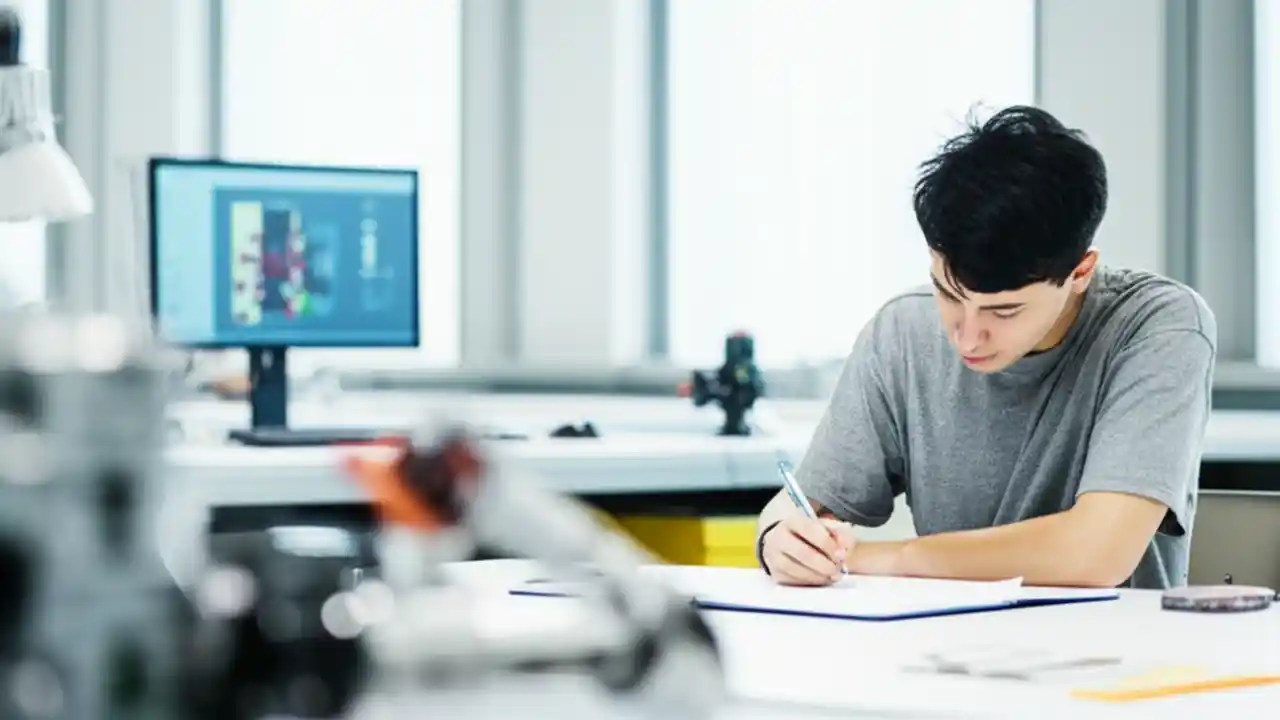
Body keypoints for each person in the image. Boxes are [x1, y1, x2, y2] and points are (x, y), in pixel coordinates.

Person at [755, 106, 1217, 590]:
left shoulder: (1159, 327)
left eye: (1004, 312)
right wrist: (779, 541)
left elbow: (1094, 555)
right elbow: (802, 507)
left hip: (1121, 656)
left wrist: (888, 558)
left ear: (1081, 272)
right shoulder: (902, 333)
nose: (967, 336)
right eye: (948, 293)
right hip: (944, 651)